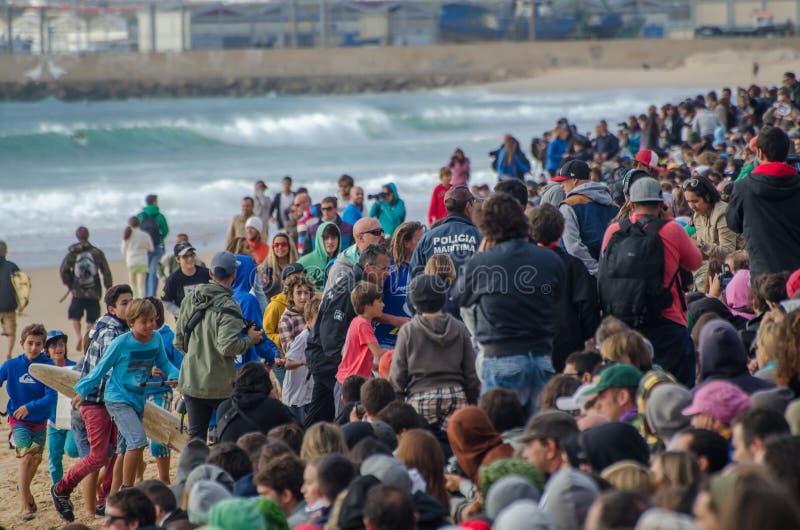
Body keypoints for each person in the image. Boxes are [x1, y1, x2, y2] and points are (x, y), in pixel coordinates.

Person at [452, 193, 564, 414]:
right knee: (538, 435)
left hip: (501, 357)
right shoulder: (550, 259)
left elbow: (458, 299)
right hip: (542, 357)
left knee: (499, 435)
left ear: (485, 225)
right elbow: (557, 298)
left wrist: (479, 256)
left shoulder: (481, 262)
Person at [600, 177, 703, 386]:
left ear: (631, 203)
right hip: (667, 318)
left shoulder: (614, 231)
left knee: (630, 385)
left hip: (623, 322)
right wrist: (668, 220)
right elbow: (695, 262)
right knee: (677, 386)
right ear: (660, 203)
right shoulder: (671, 230)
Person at [73, 299, 179, 490]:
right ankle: (127, 488)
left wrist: (174, 375)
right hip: (117, 398)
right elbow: (101, 368)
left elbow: (165, 363)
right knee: (138, 441)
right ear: (131, 323)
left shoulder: (156, 339)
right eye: (143, 321)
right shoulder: (121, 343)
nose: (149, 325)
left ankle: (115, 494)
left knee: (123, 449)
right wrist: (83, 390)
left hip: (137, 399)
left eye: (152, 320)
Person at [51, 284, 132, 522]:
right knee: (97, 457)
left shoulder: (120, 327)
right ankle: (61, 489)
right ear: (112, 308)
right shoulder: (110, 333)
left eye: (131, 301)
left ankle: (103, 502)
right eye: (124, 303)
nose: (130, 305)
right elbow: (109, 370)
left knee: (122, 450)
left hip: (114, 401)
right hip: (95, 400)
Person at [173, 251, 264, 441]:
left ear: (211, 273)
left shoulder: (190, 299)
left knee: (195, 438)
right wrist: (251, 340)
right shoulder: (230, 306)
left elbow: (179, 341)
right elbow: (227, 347)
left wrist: (197, 356)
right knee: (227, 436)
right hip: (220, 385)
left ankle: (192, 469)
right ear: (233, 275)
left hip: (191, 380)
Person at [304, 245, 394, 426]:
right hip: (330, 363)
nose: (388, 273)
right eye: (384, 268)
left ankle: (307, 444)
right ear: (368, 269)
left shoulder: (358, 286)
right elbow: (332, 340)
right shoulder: (349, 291)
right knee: (354, 410)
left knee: (321, 416)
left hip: (329, 361)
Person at [390, 274, 479, 428]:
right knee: (455, 446)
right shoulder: (460, 328)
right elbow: (471, 373)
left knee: (421, 448)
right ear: (443, 298)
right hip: (455, 397)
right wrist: (471, 403)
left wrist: (398, 407)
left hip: (420, 398)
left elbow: (397, 375)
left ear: (415, 302)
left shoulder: (409, 330)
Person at [528, 203, 600, 372]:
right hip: (569, 344)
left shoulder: (523, 266)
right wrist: (589, 337)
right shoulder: (574, 265)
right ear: (561, 230)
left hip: (532, 343)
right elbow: (588, 305)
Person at [727, 126, 800, 280]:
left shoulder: (743, 187)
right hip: (797, 276)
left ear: (759, 152)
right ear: (787, 152)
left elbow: (733, 223)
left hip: (764, 276)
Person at [0, 323, 55, 520]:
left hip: (40, 421)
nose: (33, 348)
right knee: (26, 457)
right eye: (30, 343)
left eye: (38, 344)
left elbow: (52, 397)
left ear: (43, 346)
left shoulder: (48, 367)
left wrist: (30, 407)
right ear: (22, 343)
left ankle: (25, 491)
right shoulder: (11, 365)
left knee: (36, 460)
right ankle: (24, 506)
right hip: (17, 421)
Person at [554, 159, 619, 276]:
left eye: (563, 181)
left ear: (574, 180)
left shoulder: (568, 205)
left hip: (586, 275)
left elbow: (574, 247)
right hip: (615, 273)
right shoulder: (614, 205)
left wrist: (597, 270)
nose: (561, 185)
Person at [409, 185, 480, 281]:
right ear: (468, 206)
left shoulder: (427, 238)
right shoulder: (478, 235)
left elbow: (414, 280)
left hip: (435, 293)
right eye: (473, 204)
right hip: (470, 294)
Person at [59, 226, 113, 352]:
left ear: (77, 237)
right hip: (94, 291)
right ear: (88, 236)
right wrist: (108, 286)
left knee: (75, 315)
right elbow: (106, 271)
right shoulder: (96, 252)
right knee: (92, 318)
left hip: (78, 290)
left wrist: (70, 283)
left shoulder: (73, 253)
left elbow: (63, 270)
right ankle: (86, 338)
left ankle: (77, 335)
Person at [216, 362, 296, 443]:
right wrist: (275, 400)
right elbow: (297, 431)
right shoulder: (273, 407)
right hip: (263, 454)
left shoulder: (223, 407)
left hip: (232, 454)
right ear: (266, 383)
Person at [683, 175, 738, 291]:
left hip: (733, 269)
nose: (692, 206)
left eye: (695, 201)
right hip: (714, 266)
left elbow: (729, 252)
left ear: (707, 196)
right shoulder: (698, 214)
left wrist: (700, 244)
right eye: (688, 202)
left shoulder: (722, 213)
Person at [334, 281, 386, 402]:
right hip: (351, 386)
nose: (383, 305)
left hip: (346, 382)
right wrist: (403, 353)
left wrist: (372, 366)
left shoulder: (356, 321)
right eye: (379, 301)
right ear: (367, 305)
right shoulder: (363, 324)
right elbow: (378, 353)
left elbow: (345, 352)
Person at [375, 221, 422, 347]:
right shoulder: (386, 267)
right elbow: (368, 309)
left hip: (415, 342)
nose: (424, 243)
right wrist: (395, 320)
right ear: (406, 243)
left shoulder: (424, 266)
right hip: (386, 342)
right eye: (420, 240)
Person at [43, 330, 78, 484]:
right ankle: (58, 490)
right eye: (54, 345)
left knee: (72, 450)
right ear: (47, 351)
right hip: (53, 421)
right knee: (54, 457)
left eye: (61, 344)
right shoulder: (42, 370)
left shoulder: (75, 367)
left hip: (72, 420)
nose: (58, 348)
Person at [282, 297, 319, 425]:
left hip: (308, 391)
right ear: (308, 320)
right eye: (318, 320)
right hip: (295, 394)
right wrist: (303, 362)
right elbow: (288, 364)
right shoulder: (302, 338)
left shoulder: (319, 336)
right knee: (297, 427)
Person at [325, 217, 386, 293]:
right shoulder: (342, 268)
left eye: (382, 231)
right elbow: (330, 302)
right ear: (360, 238)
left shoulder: (389, 258)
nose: (383, 235)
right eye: (376, 232)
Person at [255, 452, 308, 527]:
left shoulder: (290, 526)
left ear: (286, 495)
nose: (260, 500)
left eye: (264, 494)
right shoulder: (319, 513)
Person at [160, 241, 209, 319]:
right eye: (185, 256)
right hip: (185, 323)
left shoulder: (206, 273)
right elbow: (165, 300)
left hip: (206, 319)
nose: (190, 259)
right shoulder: (173, 279)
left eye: (191, 255)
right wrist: (181, 313)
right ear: (178, 259)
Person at [137, 194, 169, 298]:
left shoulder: (140, 216)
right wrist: (159, 238)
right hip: (156, 246)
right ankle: (151, 295)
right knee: (154, 271)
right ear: (155, 202)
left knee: (145, 271)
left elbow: (136, 231)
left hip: (144, 248)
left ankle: (145, 294)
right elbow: (165, 230)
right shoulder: (160, 216)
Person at [277, 272, 314, 360]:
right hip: (298, 368)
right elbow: (290, 351)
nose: (303, 297)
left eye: (306, 293)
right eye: (299, 293)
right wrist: (305, 331)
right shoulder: (285, 320)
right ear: (291, 296)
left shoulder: (314, 313)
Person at [298, 221, 341, 291]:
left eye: (333, 238)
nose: (330, 241)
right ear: (319, 239)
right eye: (326, 238)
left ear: (339, 239)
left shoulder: (342, 261)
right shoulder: (303, 262)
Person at [259, 232, 298, 303]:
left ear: (289, 246)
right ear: (273, 248)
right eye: (276, 245)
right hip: (273, 307)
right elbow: (264, 292)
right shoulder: (266, 268)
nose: (280, 247)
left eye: (283, 244)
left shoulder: (297, 266)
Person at [121, 216, 154, 299]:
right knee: (141, 285)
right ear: (139, 224)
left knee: (132, 284)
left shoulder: (128, 234)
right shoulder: (144, 235)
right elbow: (151, 248)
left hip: (131, 261)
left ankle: (134, 301)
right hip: (142, 261)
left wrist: (126, 257)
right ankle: (141, 301)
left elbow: (123, 249)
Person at [0, 240, 21, 359]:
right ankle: (9, 352)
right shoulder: (12, 267)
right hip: (9, 304)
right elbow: (21, 286)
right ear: (5, 252)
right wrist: (22, 303)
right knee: (11, 331)